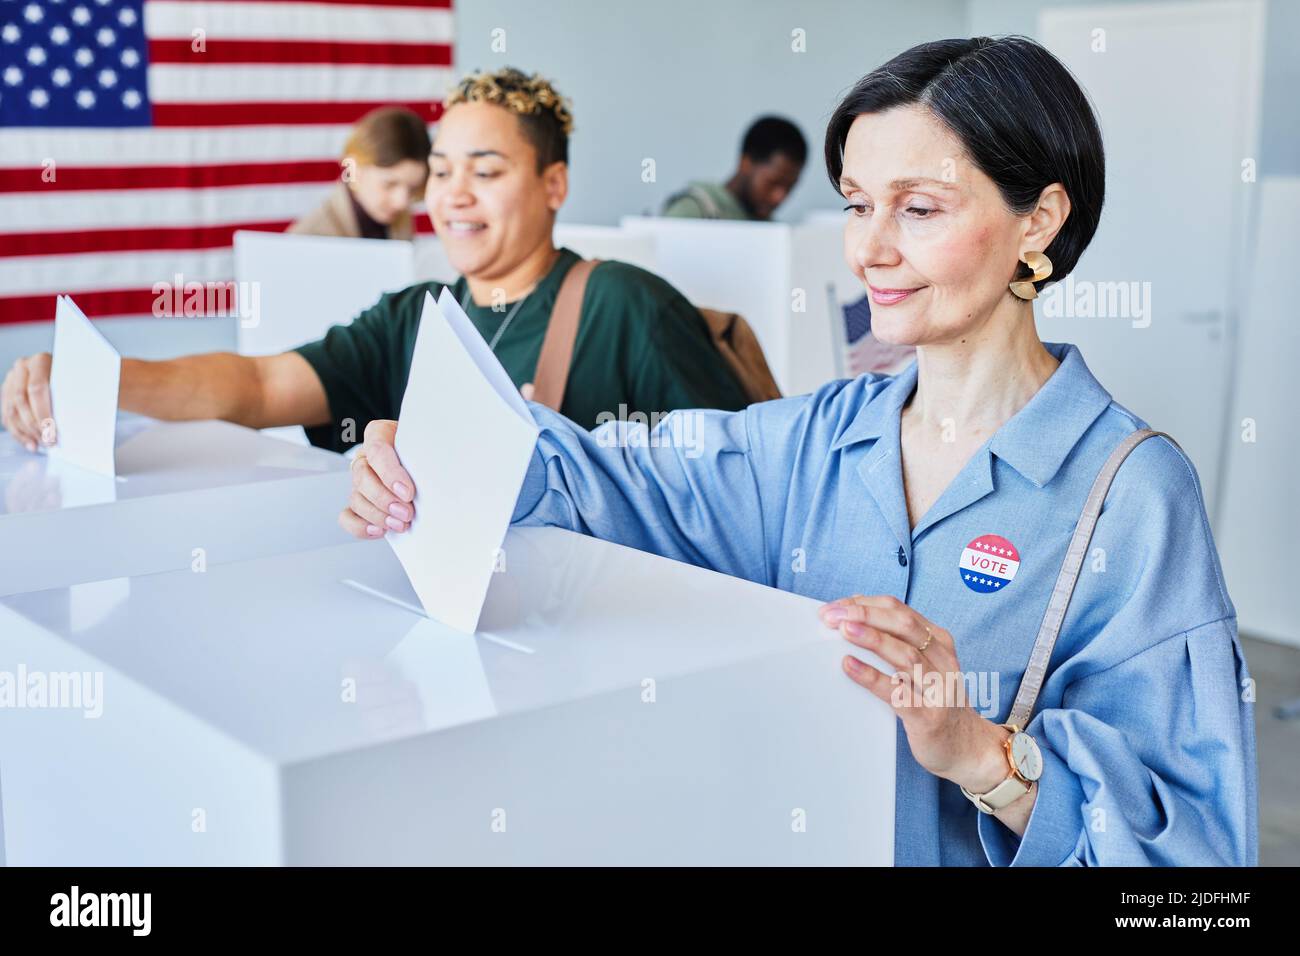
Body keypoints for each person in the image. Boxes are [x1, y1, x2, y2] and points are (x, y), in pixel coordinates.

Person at [343, 37, 1257, 866]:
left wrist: (981, 753)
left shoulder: (1132, 494)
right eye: (859, 205)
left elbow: (1197, 877)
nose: (869, 248)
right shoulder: (817, 437)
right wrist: (432, 453)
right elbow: (603, 480)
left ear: (1039, 222)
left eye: (920, 208)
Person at [2, 68, 749, 462]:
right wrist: (95, 377)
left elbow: (736, 477)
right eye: (443, 169)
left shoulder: (626, 304)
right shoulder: (413, 316)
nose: (453, 195)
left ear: (554, 185)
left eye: (485, 171)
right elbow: (258, 385)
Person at [288, 105, 432, 240]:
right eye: (389, 184)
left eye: (412, 188)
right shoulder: (308, 238)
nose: (401, 202)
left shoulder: (402, 221)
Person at [662, 115, 806, 221]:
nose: (779, 197)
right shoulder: (694, 208)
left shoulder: (773, 230)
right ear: (746, 162)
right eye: (773, 183)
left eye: (790, 187)